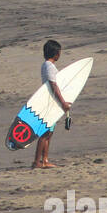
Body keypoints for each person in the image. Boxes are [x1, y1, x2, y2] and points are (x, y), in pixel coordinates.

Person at [34, 39, 72, 170]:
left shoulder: (47, 65)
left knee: (49, 133)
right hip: (50, 102)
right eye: (59, 52)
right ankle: (37, 161)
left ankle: (44, 160)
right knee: (45, 133)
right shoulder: (49, 66)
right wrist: (63, 102)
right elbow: (53, 85)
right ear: (55, 53)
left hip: (52, 102)